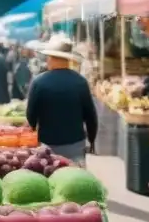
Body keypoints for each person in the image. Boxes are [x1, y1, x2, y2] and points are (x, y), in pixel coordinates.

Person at [26, 36, 97, 166]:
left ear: (50, 58)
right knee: (75, 181)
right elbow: (91, 116)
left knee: (49, 179)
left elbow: (31, 116)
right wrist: (92, 141)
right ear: (68, 59)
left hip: (47, 145)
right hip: (75, 144)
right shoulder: (80, 82)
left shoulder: (39, 82)